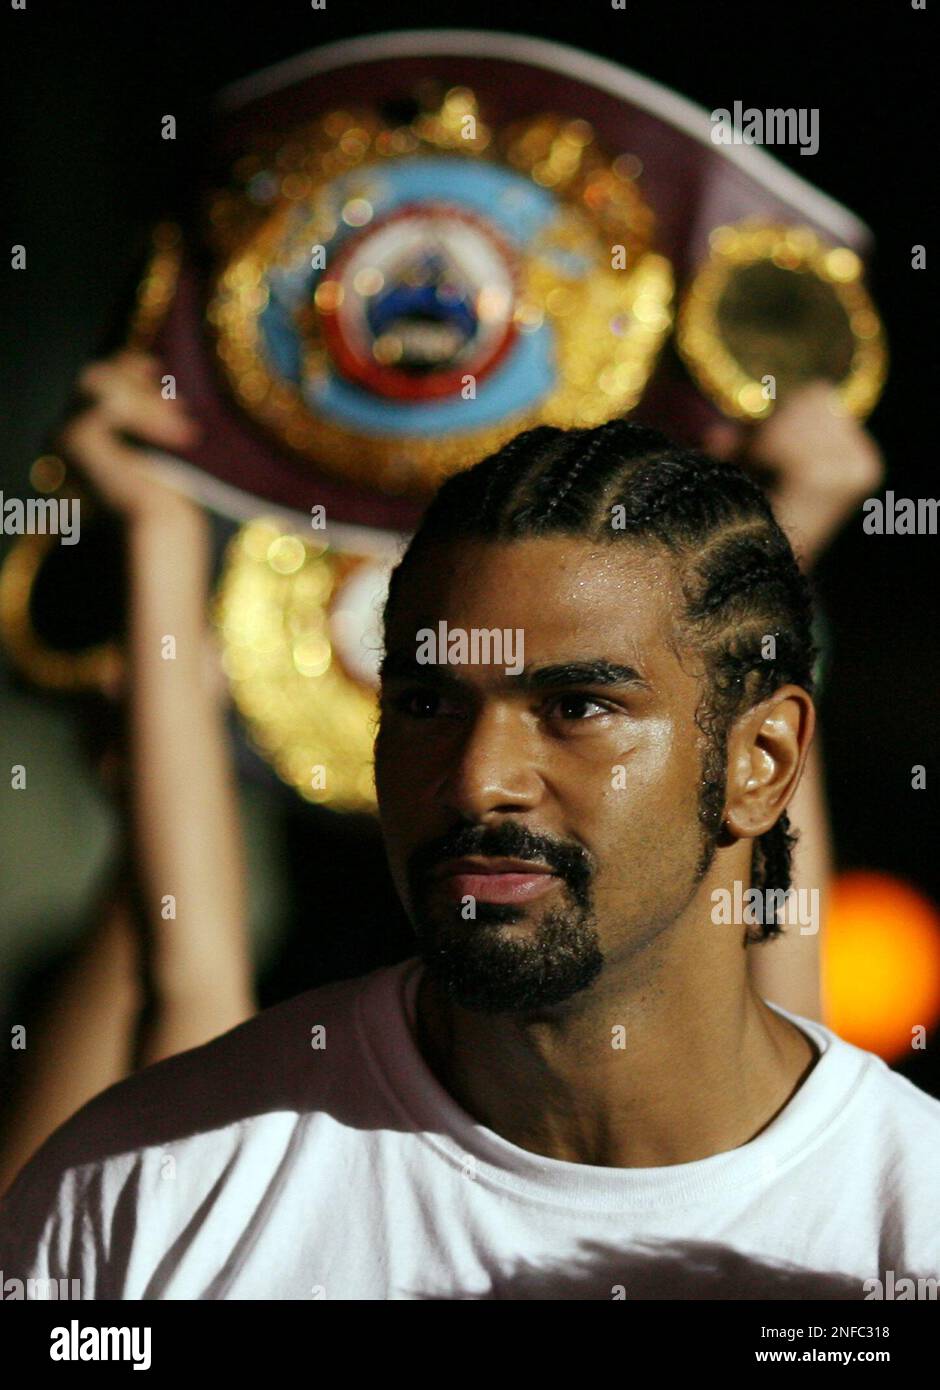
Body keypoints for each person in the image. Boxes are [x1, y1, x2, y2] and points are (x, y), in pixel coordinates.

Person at [2, 414, 936, 1301]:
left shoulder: (909, 1225)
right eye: (425, 705)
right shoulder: (146, 1188)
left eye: (577, 706)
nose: (477, 780)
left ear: (761, 762)